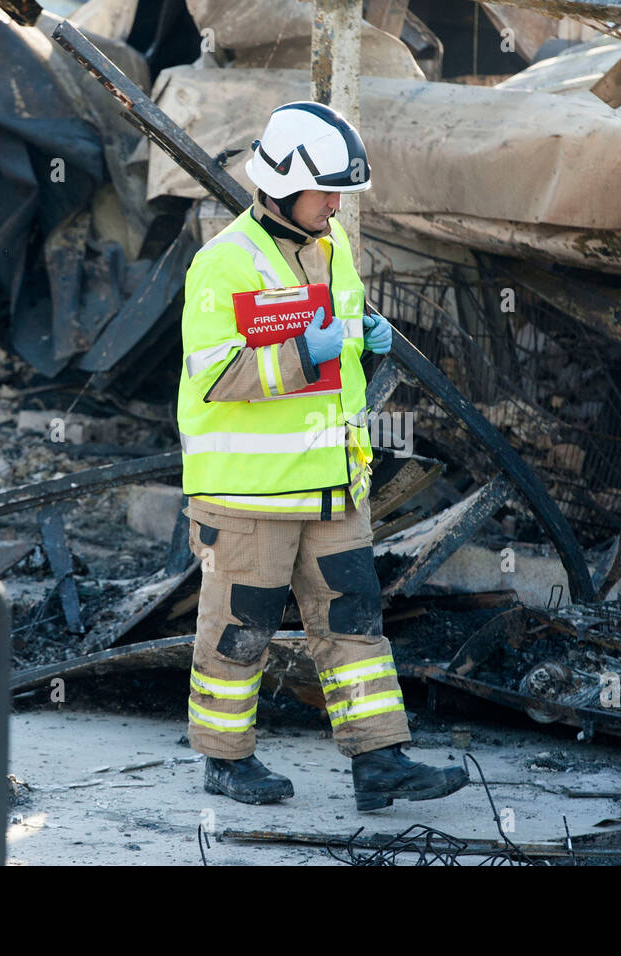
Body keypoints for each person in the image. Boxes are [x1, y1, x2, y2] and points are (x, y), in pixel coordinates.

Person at [175, 101, 468, 811]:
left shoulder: (331, 249)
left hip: (334, 488)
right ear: (277, 186)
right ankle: (226, 760)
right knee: (239, 629)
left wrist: (363, 341)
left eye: (340, 191)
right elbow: (217, 376)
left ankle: (381, 763)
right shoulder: (223, 263)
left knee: (354, 622)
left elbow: (339, 374)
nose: (336, 204)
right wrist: (307, 352)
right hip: (249, 497)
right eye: (325, 190)